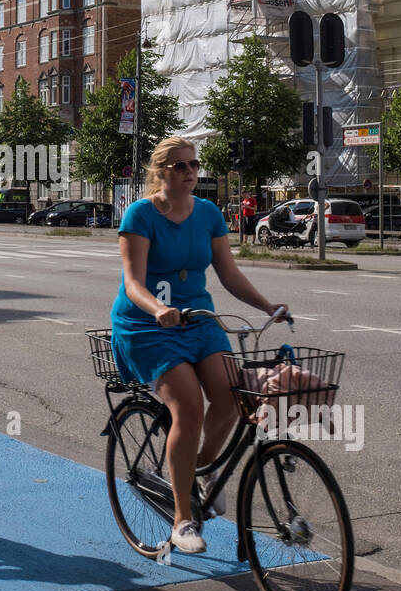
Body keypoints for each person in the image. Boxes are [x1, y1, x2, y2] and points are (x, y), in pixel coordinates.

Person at [110, 138, 289, 555]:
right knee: (188, 406)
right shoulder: (140, 215)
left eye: (193, 164)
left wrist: (267, 305)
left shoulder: (208, 213)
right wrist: (157, 309)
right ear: (161, 172)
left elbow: (228, 273)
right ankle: (181, 519)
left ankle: (200, 472)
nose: (190, 172)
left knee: (231, 394)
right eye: (179, 166)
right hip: (147, 325)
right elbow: (133, 282)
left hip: (199, 320)